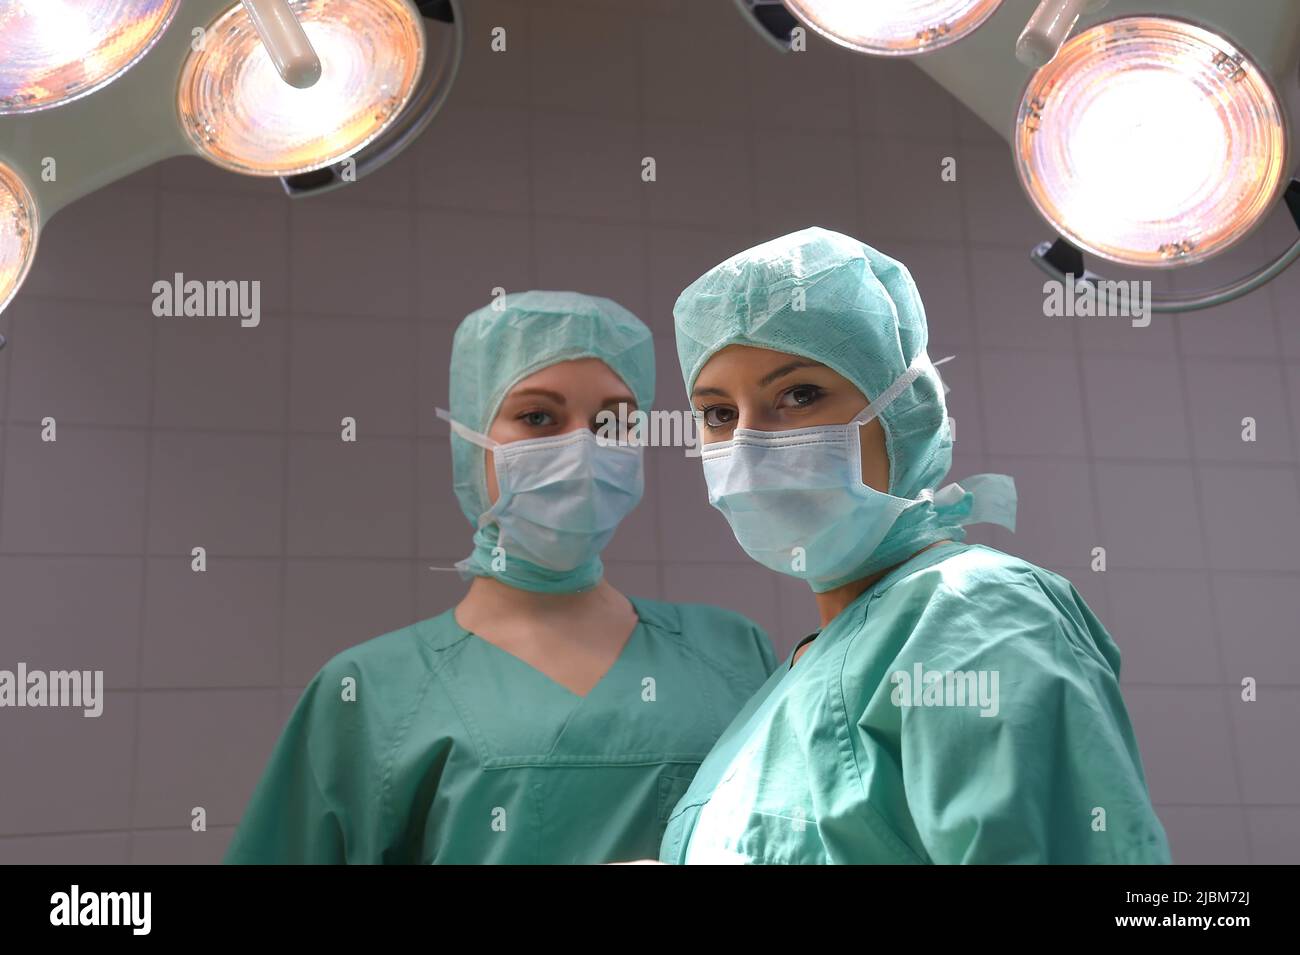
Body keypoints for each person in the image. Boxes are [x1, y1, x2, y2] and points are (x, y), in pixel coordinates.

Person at [658, 228, 1171, 864]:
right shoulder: (803, 673)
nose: (750, 445)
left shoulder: (976, 612)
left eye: (799, 395)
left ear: (907, 412)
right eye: (717, 414)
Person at [225, 291, 778, 864]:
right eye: (538, 417)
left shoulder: (733, 650)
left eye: (614, 422)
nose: (582, 448)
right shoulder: (369, 690)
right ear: (470, 441)